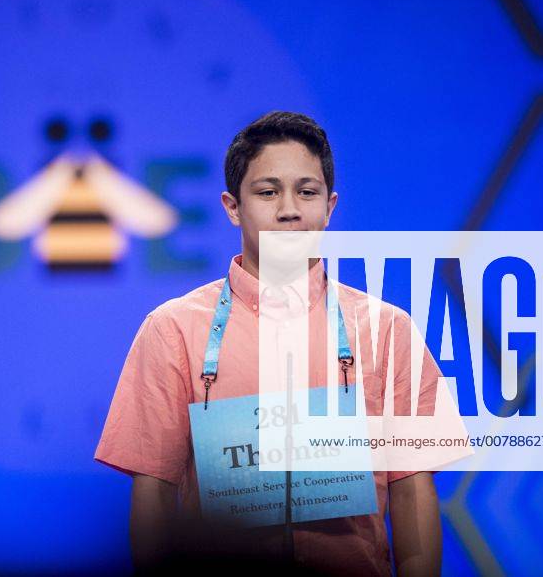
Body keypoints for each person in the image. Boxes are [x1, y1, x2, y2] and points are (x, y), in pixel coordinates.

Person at [95, 111, 444, 575]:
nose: (289, 209)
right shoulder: (173, 329)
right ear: (232, 206)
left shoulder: (389, 330)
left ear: (329, 206)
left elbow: (412, 486)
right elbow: (154, 492)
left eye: (306, 191)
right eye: (267, 192)